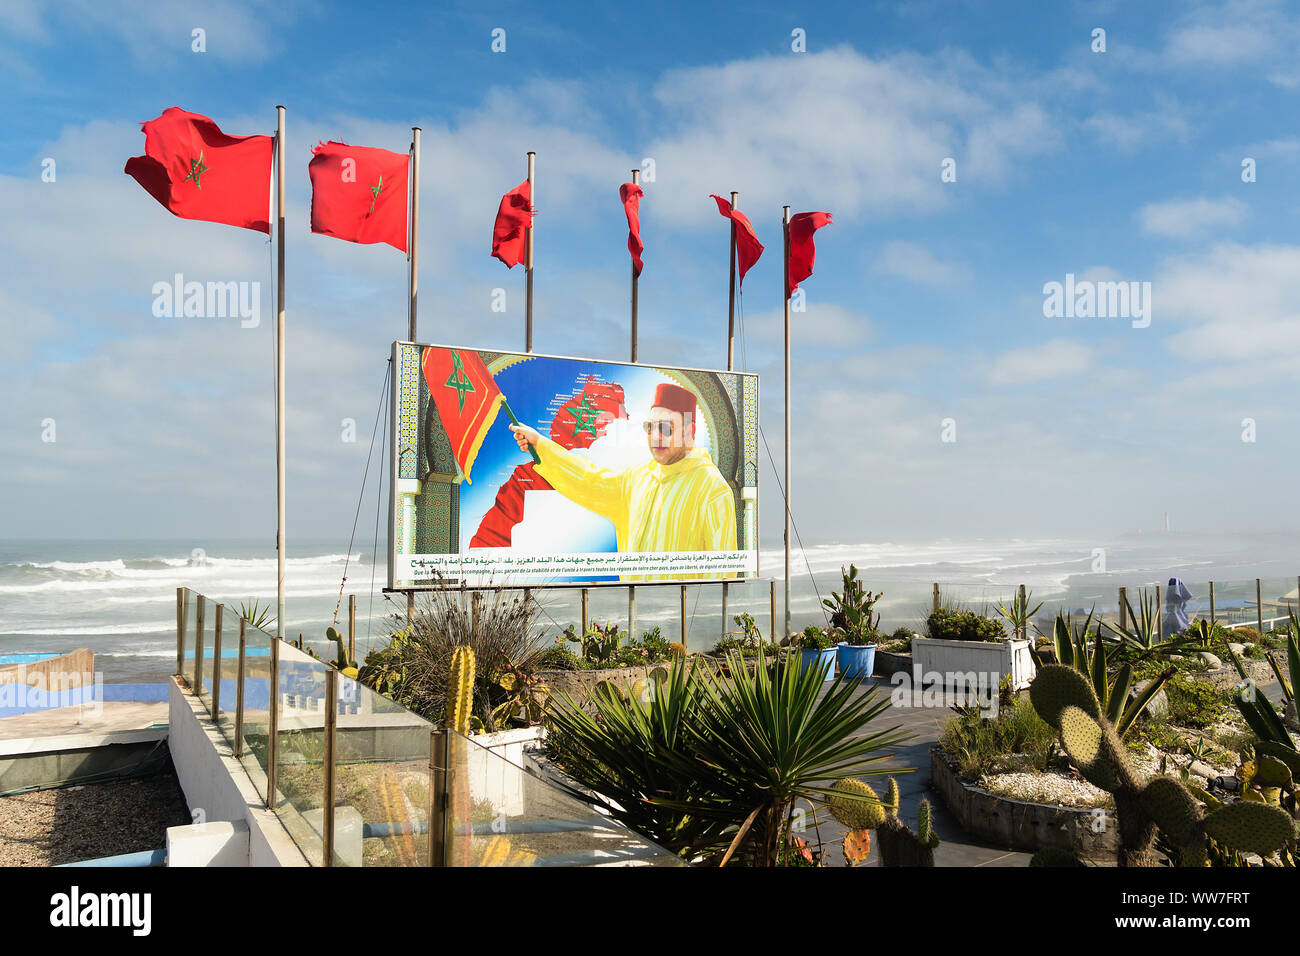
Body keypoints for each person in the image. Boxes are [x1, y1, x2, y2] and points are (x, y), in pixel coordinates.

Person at [508, 382, 737, 577]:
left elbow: (723, 571)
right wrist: (540, 444)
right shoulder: (638, 478)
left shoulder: (711, 488)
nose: (655, 437)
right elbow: (588, 480)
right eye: (650, 427)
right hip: (634, 614)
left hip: (684, 619)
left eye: (666, 429)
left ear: (689, 432)